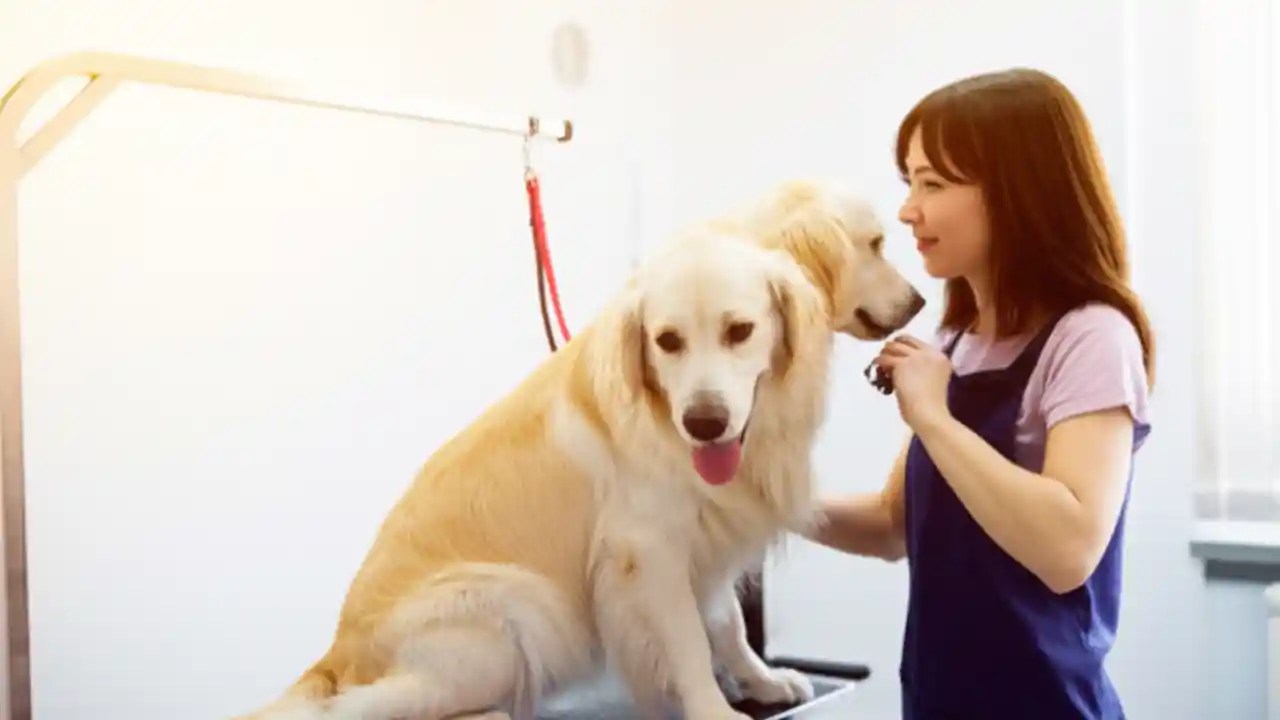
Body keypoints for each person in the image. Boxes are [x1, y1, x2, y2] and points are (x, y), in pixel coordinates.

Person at [808, 68, 1155, 719]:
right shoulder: (959, 341)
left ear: (1019, 192)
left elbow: (1068, 550)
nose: (908, 210)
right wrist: (756, 503)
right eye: (909, 182)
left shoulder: (1092, 339)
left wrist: (933, 417)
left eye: (932, 183)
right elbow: (891, 526)